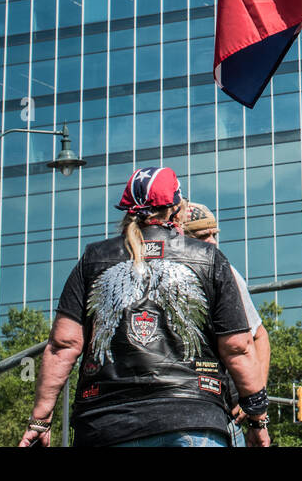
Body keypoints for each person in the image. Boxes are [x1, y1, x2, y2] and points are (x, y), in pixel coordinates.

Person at [18, 167, 267, 448]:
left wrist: (40, 420)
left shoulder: (93, 259)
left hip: (106, 424)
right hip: (193, 419)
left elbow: (63, 345)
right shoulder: (209, 259)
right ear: (176, 209)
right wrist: (258, 419)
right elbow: (238, 347)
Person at [183, 202, 271, 447]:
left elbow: (258, 337)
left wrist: (253, 402)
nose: (212, 242)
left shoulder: (223, 273)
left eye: (214, 235)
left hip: (221, 413)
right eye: (202, 236)